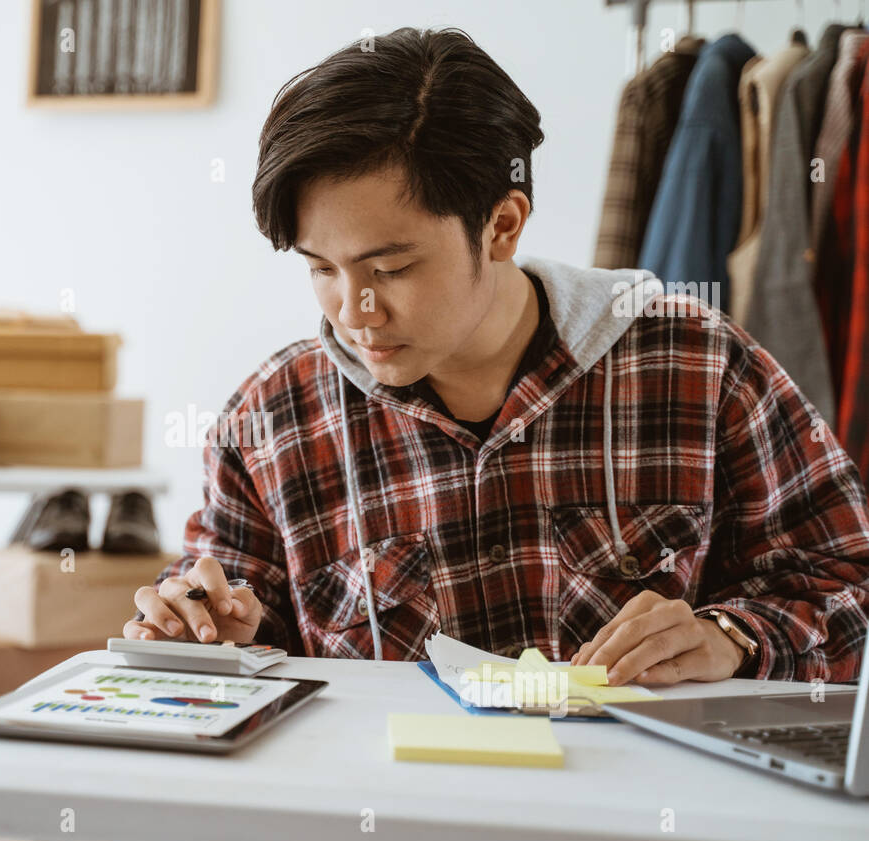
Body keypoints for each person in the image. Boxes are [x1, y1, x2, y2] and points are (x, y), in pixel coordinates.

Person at [123, 27, 869, 687]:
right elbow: (232, 614)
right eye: (322, 268)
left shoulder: (700, 368)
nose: (354, 311)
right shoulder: (272, 418)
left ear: (503, 225)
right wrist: (204, 626)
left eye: (391, 269)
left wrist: (732, 637)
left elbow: (848, 583)